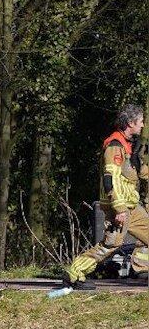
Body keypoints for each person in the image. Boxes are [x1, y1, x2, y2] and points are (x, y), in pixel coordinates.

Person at [62, 104, 148, 290]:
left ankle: (142, 269)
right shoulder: (114, 146)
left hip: (132, 207)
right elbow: (111, 180)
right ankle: (75, 273)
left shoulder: (128, 147)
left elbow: (140, 172)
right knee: (111, 244)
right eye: (141, 122)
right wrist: (119, 209)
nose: (143, 125)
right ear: (130, 123)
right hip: (120, 207)